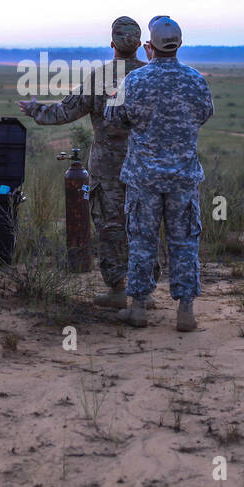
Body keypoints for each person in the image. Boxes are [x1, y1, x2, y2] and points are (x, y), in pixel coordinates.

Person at [18, 17, 156, 308]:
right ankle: (143, 292)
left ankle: (118, 290)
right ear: (139, 45)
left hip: (108, 168)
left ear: (112, 45)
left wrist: (34, 110)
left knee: (110, 226)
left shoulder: (100, 77)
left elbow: (65, 112)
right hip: (146, 167)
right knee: (144, 226)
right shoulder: (151, 76)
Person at [106, 16, 214, 331]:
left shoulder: (135, 80)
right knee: (185, 242)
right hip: (182, 177)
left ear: (149, 47)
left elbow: (113, 117)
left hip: (143, 178)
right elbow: (205, 114)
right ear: (179, 45)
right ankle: (185, 311)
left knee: (141, 240)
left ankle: (138, 308)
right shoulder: (196, 80)